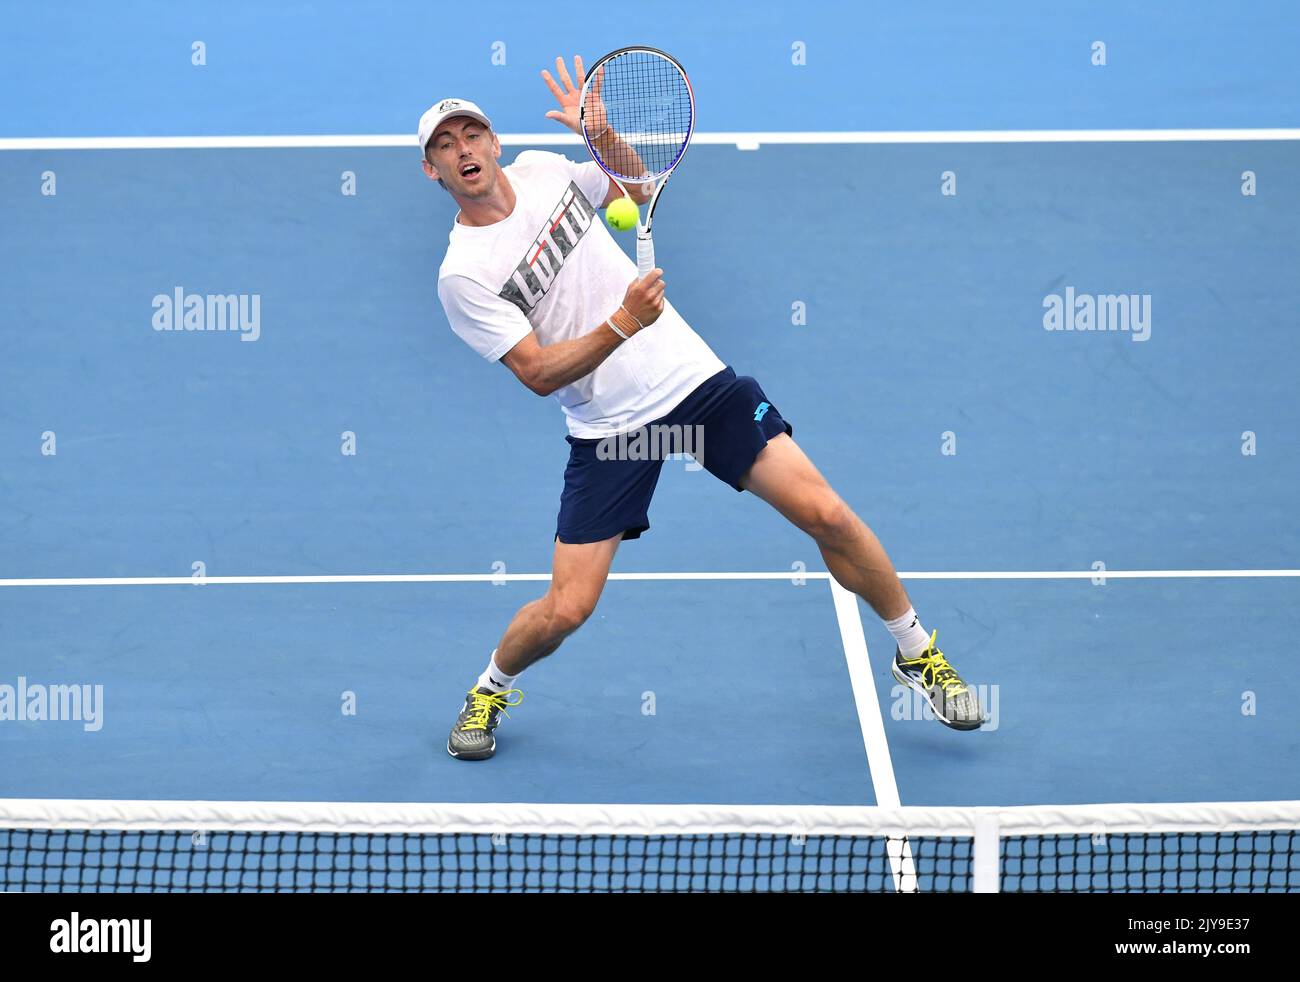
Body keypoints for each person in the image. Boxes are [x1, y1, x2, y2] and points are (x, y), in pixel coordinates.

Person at [423, 56, 983, 761]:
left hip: (695, 387)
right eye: (445, 145)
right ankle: (490, 688)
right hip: (611, 432)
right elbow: (536, 372)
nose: (463, 149)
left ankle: (915, 650)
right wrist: (623, 323)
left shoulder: (545, 171)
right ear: (433, 172)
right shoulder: (463, 274)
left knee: (827, 514)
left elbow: (635, 185)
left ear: (494, 143)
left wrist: (602, 133)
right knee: (567, 609)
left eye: (471, 133)